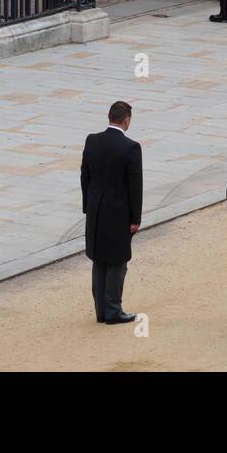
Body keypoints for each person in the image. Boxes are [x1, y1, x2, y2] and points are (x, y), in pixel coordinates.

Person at [80, 100, 143, 324]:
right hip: (118, 212)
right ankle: (113, 310)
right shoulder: (131, 147)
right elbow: (135, 186)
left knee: (99, 261)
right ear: (126, 120)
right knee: (117, 261)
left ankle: (101, 311)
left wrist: (89, 205)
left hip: (96, 210)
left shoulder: (92, 140)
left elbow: (85, 175)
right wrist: (135, 218)